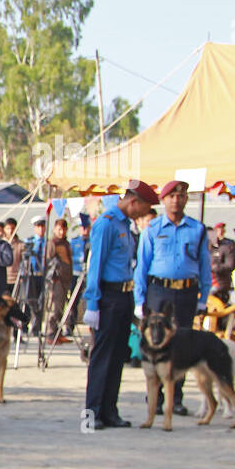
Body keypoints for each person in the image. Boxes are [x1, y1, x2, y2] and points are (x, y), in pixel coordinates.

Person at [83, 180, 159, 429]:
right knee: (102, 356)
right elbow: (95, 265)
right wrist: (92, 303)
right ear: (133, 201)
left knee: (118, 356)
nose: (142, 215)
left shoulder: (125, 225)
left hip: (124, 296)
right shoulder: (106, 224)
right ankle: (92, 412)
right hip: (107, 296)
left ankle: (109, 410)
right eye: (144, 208)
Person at [134, 179, 211, 415]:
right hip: (159, 290)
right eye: (171, 197)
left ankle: (175, 398)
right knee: (155, 343)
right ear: (164, 200)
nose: (176, 201)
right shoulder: (153, 230)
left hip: (187, 291)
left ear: (186, 199)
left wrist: (203, 298)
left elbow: (205, 266)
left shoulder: (197, 229)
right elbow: (142, 267)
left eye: (181, 196)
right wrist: (140, 301)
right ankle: (154, 398)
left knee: (180, 344)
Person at [43, 218, 74, 343]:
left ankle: (58, 333)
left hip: (66, 278)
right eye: (59, 229)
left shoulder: (65, 243)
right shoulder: (52, 243)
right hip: (56, 280)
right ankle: (51, 333)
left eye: (64, 229)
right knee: (54, 307)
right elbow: (49, 262)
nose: (61, 232)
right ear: (55, 229)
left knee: (61, 307)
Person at [209, 222, 235, 306]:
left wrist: (214, 267)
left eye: (221, 229)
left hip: (219, 283)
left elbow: (230, 265)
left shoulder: (228, 245)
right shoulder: (207, 245)